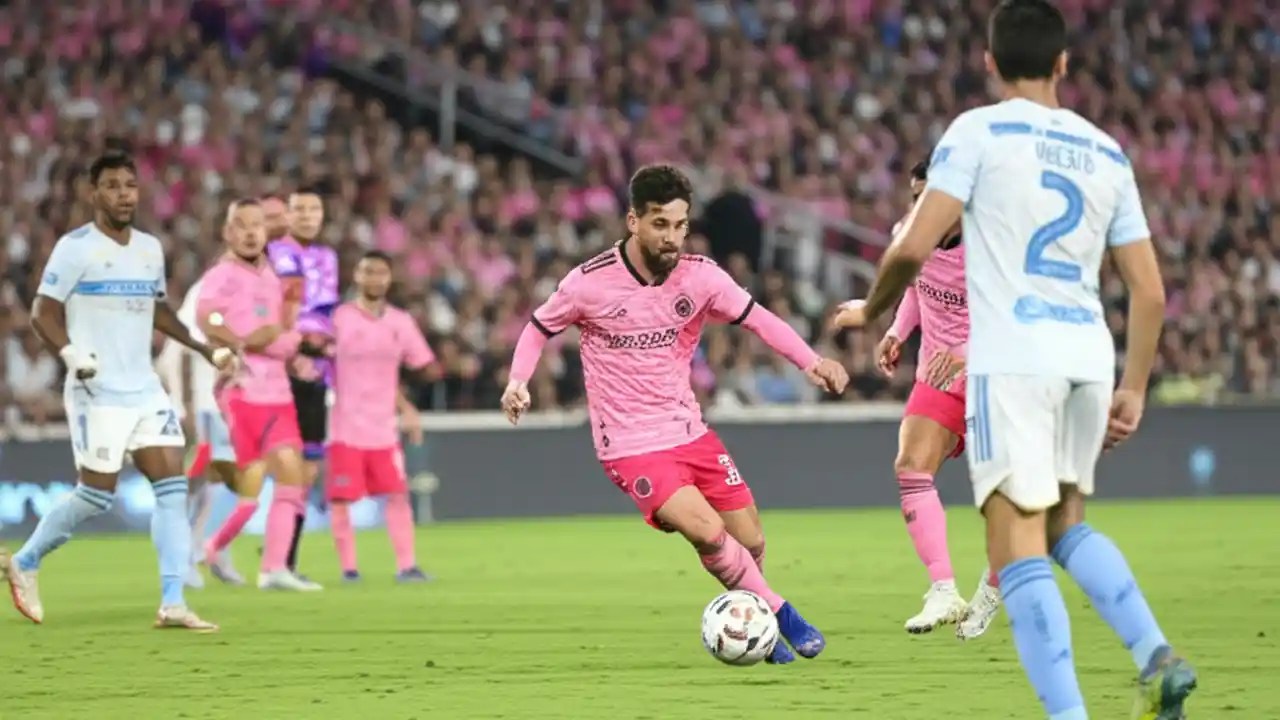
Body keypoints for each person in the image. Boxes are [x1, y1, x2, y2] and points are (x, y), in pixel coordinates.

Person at [834, 2, 1195, 718]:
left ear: (991, 64)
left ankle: (1070, 713)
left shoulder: (976, 132)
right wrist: (1134, 387)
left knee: (1020, 542)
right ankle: (1155, 653)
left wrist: (871, 311)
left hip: (1013, 360)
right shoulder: (1104, 151)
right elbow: (1149, 290)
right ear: (1063, 64)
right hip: (1087, 358)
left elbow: (911, 247)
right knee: (1066, 526)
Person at [501, 165, 849, 665]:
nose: (672, 237)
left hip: (689, 430)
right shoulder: (588, 284)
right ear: (633, 221)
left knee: (749, 539)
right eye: (660, 224)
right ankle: (783, 616)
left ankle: (755, 629)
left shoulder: (701, 276)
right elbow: (537, 328)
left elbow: (760, 320)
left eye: (680, 225)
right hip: (629, 443)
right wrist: (518, 381)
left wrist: (812, 361)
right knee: (707, 530)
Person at [0, 151, 232, 630]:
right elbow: (43, 311)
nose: (123, 194)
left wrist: (205, 348)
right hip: (96, 390)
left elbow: (158, 311)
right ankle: (24, 561)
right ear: (93, 193)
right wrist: (70, 355)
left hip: (145, 389)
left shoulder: (149, 248)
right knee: (96, 496)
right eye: (112, 185)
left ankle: (172, 602)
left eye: (129, 185)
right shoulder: (75, 248)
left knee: (172, 487)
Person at [833, 161, 1001, 638]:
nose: (919, 208)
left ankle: (992, 587)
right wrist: (896, 330)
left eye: (931, 197)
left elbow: (1015, 319)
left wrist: (966, 352)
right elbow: (914, 285)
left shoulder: (990, 247)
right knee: (910, 465)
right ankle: (944, 591)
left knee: (1002, 502)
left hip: (996, 378)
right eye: (915, 197)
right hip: (939, 374)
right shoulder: (909, 234)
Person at [197, 199, 316, 592]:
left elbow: (278, 331)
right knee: (252, 483)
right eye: (241, 225)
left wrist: (291, 348)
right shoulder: (221, 275)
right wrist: (244, 342)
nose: (250, 232)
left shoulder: (270, 276)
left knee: (292, 477)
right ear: (228, 233)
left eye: (256, 225)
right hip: (243, 391)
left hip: (277, 390)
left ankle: (272, 568)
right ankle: (211, 545)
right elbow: (207, 317)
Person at [326, 250, 435, 581]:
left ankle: (407, 565)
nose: (374, 278)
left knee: (398, 495)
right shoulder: (338, 319)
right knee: (341, 499)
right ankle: (349, 569)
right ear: (356, 276)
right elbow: (317, 363)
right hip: (344, 425)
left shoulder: (400, 322)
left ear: (389, 278)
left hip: (383, 428)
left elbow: (422, 365)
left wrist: (407, 409)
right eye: (367, 271)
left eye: (380, 272)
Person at [266, 188, 338, 580]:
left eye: (315, 208)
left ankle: (284, 559)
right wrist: (291, 352)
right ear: (287, 216)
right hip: (281, 368)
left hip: (316, 371)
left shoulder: (328, 258)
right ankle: (210, 546)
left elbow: (326, 315)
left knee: (308, 469)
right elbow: (276, 309)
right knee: (274, 464)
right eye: (300, 209)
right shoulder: (274, 254)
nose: (308, 215)